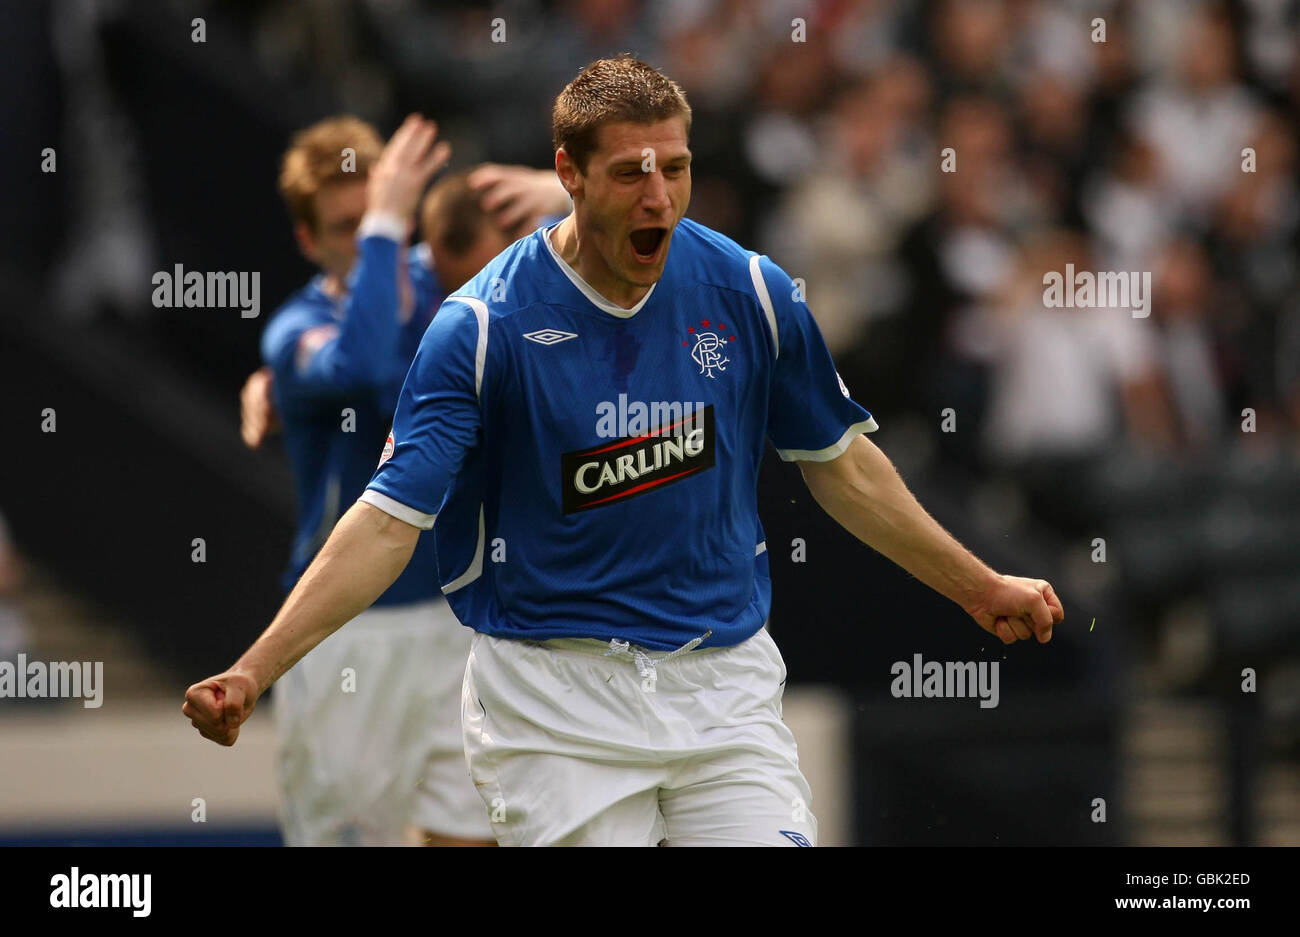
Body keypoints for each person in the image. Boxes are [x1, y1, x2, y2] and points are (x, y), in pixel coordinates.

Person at [187, 57, 1064, 847]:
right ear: (567, 175)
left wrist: (979, 584)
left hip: (722, 686)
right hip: (553, 700)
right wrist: (256, 667)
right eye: (630, 174)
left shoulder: (750, 291)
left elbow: (844, 465)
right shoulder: (483, 327)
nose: (659, 199)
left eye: (675, 169)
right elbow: (386, 523)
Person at [248, 116, 564, 846]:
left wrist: (560, 187)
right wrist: (391, 220)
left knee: (472, 834)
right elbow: (360, 367)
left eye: (377, 215)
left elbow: (602, 255)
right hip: (349, 633)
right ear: (308, 240)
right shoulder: (298, 330)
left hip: (463, 619)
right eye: (346, 226)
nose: (365, 241)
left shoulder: (441, 279)